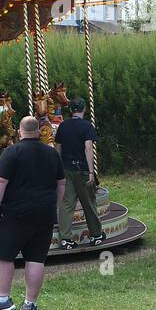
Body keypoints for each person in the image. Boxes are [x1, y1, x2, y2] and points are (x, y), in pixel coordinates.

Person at [0, 116, 65, 310]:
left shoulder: (12, 152)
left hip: (15, 212)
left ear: (20, 132)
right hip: (44, 212)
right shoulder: (52, 153)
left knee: (3, 255)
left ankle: (3, 299)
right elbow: (61, 183)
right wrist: (55, 205)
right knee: (36, 258)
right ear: (38, 132)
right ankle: (30, 303)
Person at [55, 99, 105, 250]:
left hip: (66, 169)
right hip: (82, 169)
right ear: (84, 109)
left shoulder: (63, 126)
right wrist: (91, 171)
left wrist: (59, 168)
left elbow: (58, 148)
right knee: (89, 202)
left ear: (71, 110)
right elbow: (88, 149)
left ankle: (65, 238)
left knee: (66, 204)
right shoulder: (87, 126)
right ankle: (95, 234)